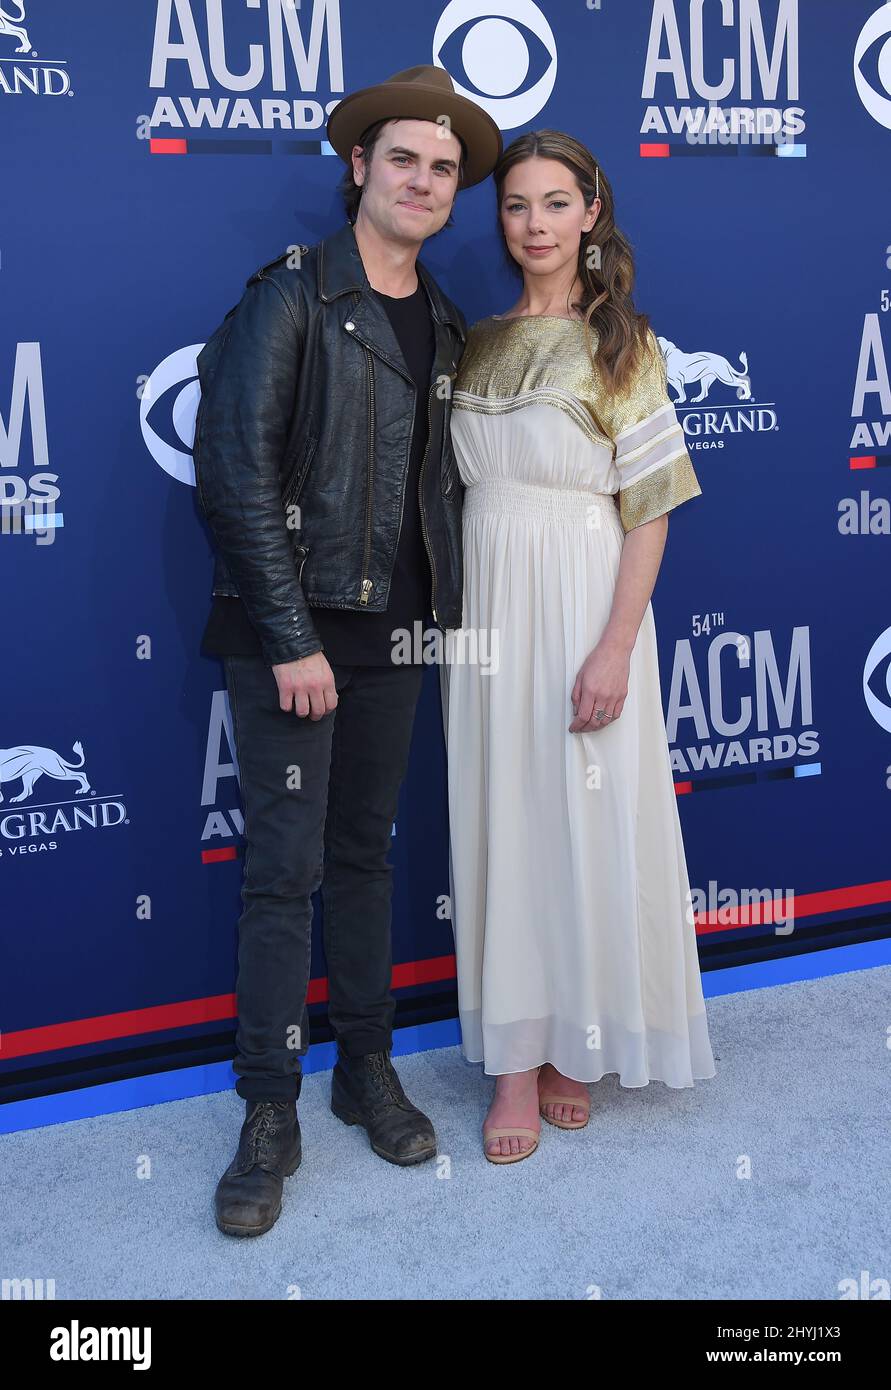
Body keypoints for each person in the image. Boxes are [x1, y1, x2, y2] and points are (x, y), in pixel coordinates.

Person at [193, 66, 501, 1234]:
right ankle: (268, 1105)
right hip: (294, 637)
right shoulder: (291, 297)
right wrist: (289, 637)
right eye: (404, 160)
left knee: (365, 856)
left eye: (443, 169)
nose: (424, 181)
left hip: (400, 636)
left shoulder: (452, 324)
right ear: (359, 170)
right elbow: (233, 474)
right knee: (284, 875)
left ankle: (362, 1067)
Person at [439, 130, 717, 1165]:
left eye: (557, 203)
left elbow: (649, 513)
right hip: (487, 607)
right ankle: (514, 1056)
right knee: (503, 819)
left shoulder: (623, 345)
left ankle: (576, 1045)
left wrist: (614, 646)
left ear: (591, 214)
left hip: (586, 601)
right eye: (517, 205)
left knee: (581, 821)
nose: (536, 224)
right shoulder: (468, 340)